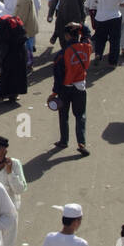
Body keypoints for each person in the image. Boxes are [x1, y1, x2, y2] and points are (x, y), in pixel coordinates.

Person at [52, 22, 92, 154]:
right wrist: (80, 26)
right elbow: (87, 33)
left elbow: (58, 77)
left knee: (64, 115)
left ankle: (64, 141)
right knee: (80, 115)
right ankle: (81, 142)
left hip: (65, 88)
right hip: (80, 86)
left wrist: (54, 93)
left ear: (67, 36)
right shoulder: (86, 47)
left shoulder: (61, 55)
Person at [88, 0, 124, 67]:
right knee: (115, 40)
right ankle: (113, 61)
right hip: (115, 17)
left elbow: (94, 2)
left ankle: (98, 54)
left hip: (100, 18)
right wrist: (116, 4)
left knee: (100, 38)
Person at [0, 14, 29, 101]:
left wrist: (0, 63)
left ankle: (0, 97)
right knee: (19, 73)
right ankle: (14, 94)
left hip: (9, 52)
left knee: (5, 74)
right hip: (21, 51)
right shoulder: (12, 28)